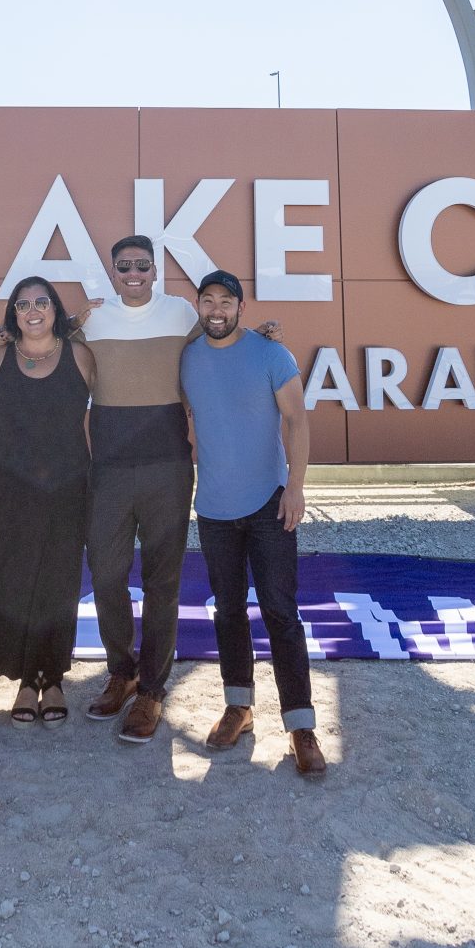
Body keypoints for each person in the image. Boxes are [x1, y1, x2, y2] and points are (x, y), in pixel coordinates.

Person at [179, 268, 328, 781]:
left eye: (226, 301)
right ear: (198, 307)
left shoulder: (271, 355)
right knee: (227, 611)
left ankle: (300, 726)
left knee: (281, 612)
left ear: (241, 308)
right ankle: (238, 707)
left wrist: (295, 487)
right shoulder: (188, 357)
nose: (216, 309)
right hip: (214, 507)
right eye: (207, 301)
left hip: (269, 502)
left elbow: (297, 421)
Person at [80, 234, 199, 744]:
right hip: (106, 469)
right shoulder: (92, 319)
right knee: (106, 574)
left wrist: (266, 334)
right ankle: (121, 671)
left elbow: (223, 342)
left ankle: (152, 688)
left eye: (142, 266)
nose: (134, 273)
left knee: (162, 582)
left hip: (168, 467)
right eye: (124, 265)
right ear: (114, 272)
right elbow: (40, 347)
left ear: (155, 271)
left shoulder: (182, 313)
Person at [0, 274, 95, 723]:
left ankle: (52, 677)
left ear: (56, 310)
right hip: (4, 488)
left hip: (66, 488)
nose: (33, 310)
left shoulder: (80, 355)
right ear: (12, 314)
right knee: (11, 581)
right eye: (23, 304)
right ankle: (24, 680)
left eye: (42, 302)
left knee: (58, 584)